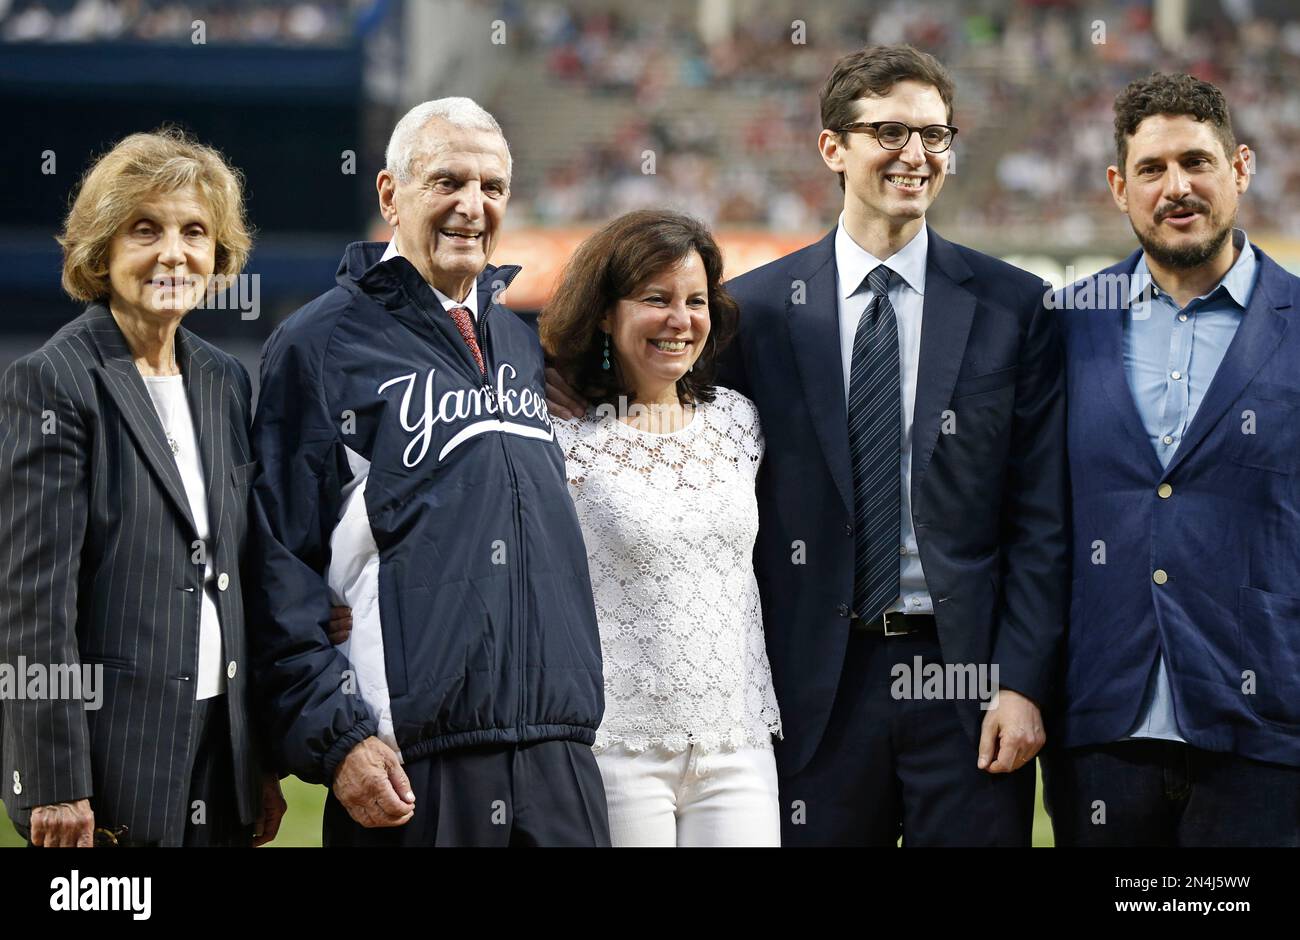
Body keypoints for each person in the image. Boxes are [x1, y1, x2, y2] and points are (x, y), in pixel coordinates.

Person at [553, 43, 1067, 846]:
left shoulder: (1014, 305)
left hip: (964, 677)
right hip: (810, 685)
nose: (916, 155)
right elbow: (662, 432)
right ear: (833, 146)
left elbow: (1042, 517)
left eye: (936, 135)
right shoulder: (752, 313)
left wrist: (1022, 682)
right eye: (890, 132)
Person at [249, 97, 610, 847]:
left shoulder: (516, 338)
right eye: (448, 181)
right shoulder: (318, 343)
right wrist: (335, 734)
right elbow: (275, 564)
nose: (472, 207)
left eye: (492, 188)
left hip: (558, 756)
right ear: (390, 194)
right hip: (411, 763)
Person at [0, 128, 286, 847]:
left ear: (218, 254)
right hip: (111, 761)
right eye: (145, 229)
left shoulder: (224, 382)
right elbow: (33, 602)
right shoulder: (52, 381)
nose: (173, 252)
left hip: (224, 756)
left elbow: (235, 576)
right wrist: (54, 777)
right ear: (102, 249)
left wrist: (260, 757)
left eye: (195, 231)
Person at [1043, 72, 1300, 847]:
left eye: (1197, 162)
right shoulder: (1063, 326)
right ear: (1121, 186)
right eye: (1152, 169)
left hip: (1264, 737)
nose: (1176, 186)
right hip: (1101, 736)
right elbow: (1034, 526)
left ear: (1242, 169)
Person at [539, 209, 782, 847]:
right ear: (602, 312)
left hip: (739, 738)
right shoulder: (558, 434)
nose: (681, 320)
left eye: (696, 301)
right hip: (618, 743)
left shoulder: (738, 422)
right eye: (657, 299)